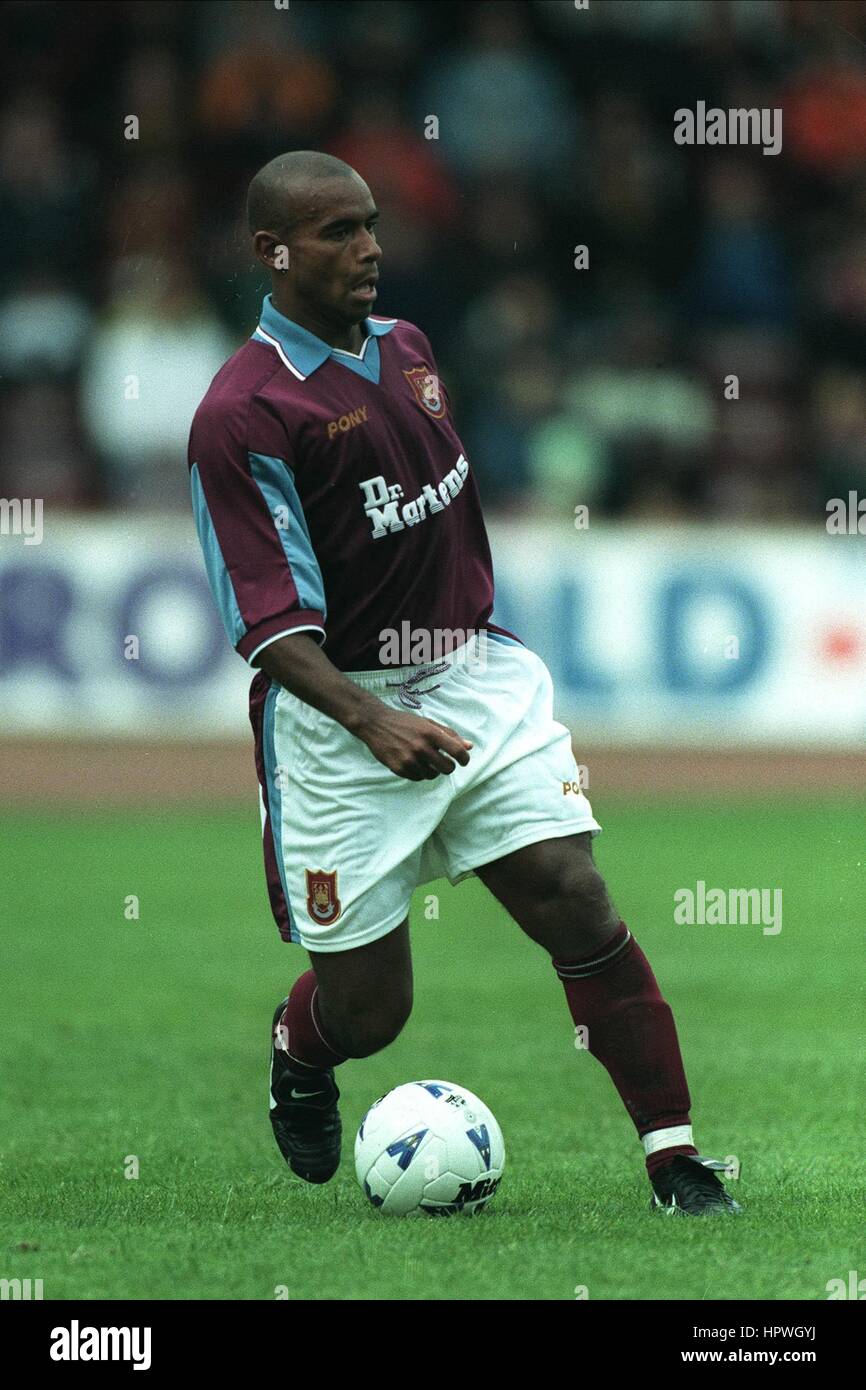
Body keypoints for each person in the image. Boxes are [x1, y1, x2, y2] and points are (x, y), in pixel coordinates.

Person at [188, 150, 740, 1216]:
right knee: (371, 1011)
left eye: (370, 224)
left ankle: (674, 1160)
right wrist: (371, 717)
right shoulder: (242, 414)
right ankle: (299, 1051)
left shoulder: (410, 350)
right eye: (338, 232)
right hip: (337, 715)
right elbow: (263, 624)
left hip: (476, 674)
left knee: (574, 900)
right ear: (272, 252)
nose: (369, 248)